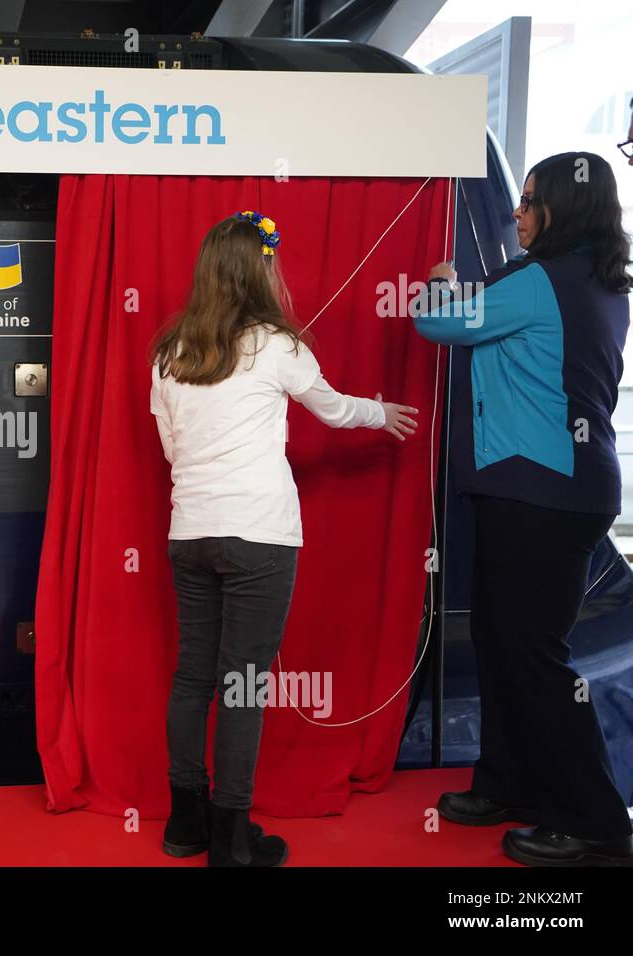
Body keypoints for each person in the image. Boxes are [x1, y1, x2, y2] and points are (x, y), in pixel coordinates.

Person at [151, 212, 418, 867]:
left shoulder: (170, 350)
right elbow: (331, 407)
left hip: (190, 531)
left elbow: (169, 446)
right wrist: (383, 413)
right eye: (270, 259)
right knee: (241, 683)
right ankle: (233, 842)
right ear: (258, 268)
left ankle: (185, 826)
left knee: (194, 678)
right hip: (258, 534)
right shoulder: (277, 344)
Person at [412, 151, 633, 866]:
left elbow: (438, 326)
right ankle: (510, 784)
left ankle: (596, 823)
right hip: (549, 489)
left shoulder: (539, 280)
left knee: (535, 658)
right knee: (506, 647)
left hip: (542, 491)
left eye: (529, 200)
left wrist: (441, 290)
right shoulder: (592, 281)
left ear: (560, 210)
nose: (517, 211)